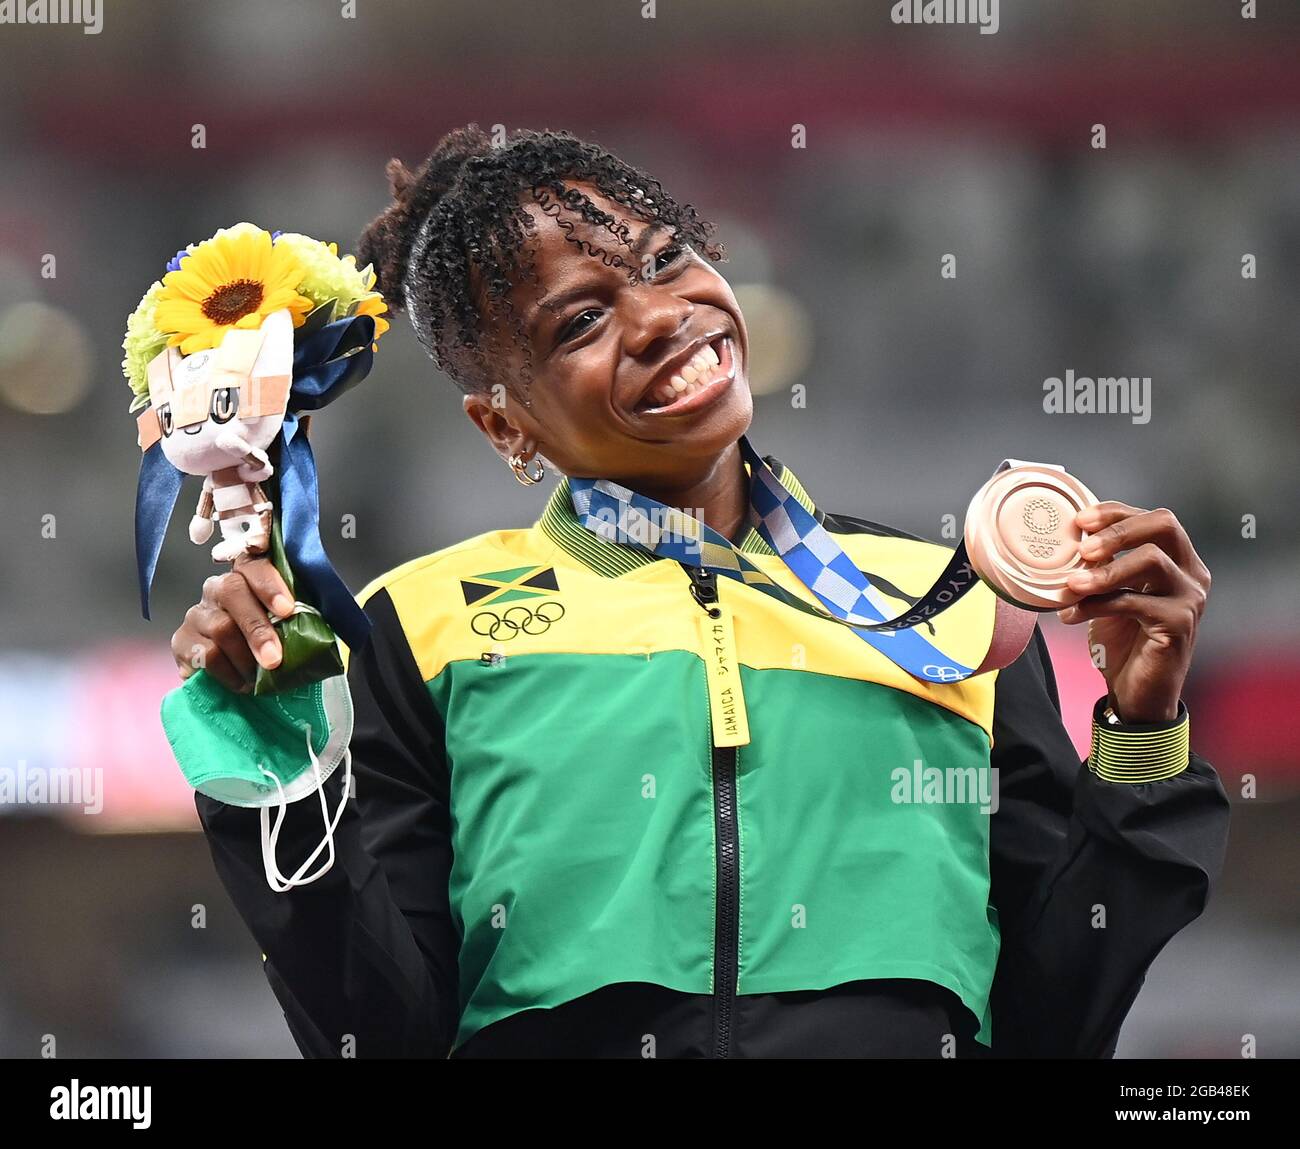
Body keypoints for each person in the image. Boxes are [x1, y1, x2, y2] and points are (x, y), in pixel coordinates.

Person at [171, 125, 1230, 1059]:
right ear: (504, 424)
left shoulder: (950, 605)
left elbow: (1054, 1019)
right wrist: (281, 774)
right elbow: (383, 1031)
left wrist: (1141, 731)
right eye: (578, 324)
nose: (661, 318)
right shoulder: (417, 630)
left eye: (666, 262)